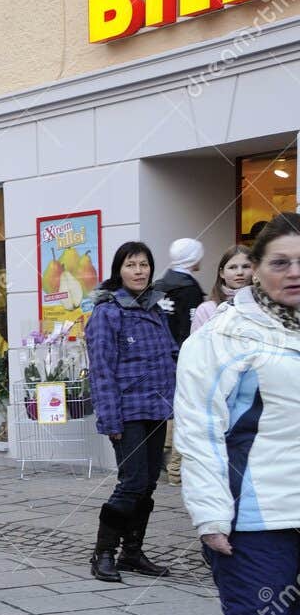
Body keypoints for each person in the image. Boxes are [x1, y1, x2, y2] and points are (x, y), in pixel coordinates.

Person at [176, 212, 300, 615]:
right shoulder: (223, 336)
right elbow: (200, 430)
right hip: (255, 519)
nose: (294, 273)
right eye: (281, 262)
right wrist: (210, 517)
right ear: (255, 269)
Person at [85, 242, 176, 582]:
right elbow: (102, 370)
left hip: (155, 409)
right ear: (118, 271)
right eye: (131, 265)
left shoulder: (154, 309)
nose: (139, 271)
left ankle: (132, 553)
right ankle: (103, 552)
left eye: (144, 265)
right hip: (127, 412)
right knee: (131, 483)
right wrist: (110, 419)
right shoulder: (107, 312)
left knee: (148, 483)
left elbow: (170, 355)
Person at [156, 238, 207, 484]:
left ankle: (162, 458)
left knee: (169, 412)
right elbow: (192, 327)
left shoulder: (160, 284)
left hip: (159, 358)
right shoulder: (189, 289)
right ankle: (176, 470)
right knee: (182, 412)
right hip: (181, 357)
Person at [190, 245, 254, 335]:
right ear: (222, 273)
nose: (240, 272)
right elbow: (196, 347)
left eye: (246, 266)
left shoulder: (266, 306)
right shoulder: (206, 310)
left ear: (255, 270)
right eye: (232, 267)